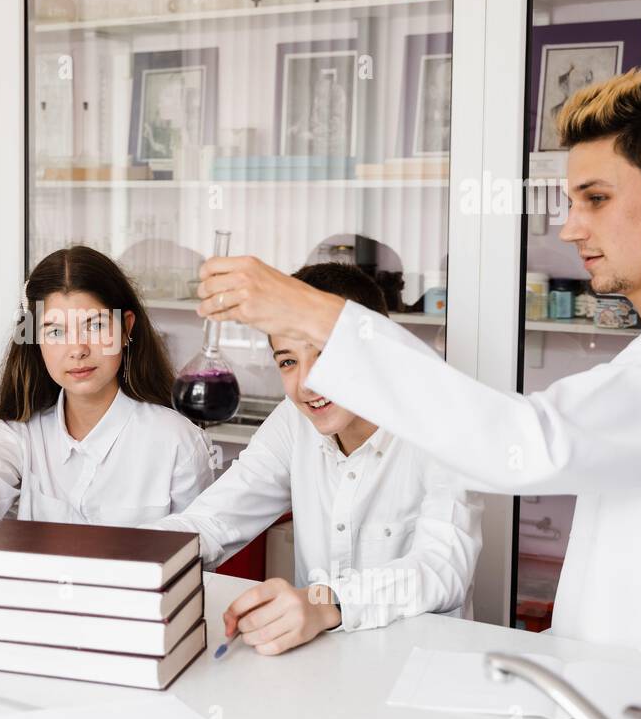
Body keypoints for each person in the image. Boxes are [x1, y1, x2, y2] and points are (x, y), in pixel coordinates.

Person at [195, 70, 641, 664]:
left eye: (596, 198)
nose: (571, 228)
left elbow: (525, 444)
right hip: (618, 695)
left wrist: (314, 313)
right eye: (572, 202)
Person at [148, 263, 481, 655]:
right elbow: (213, 519)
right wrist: (131, 555)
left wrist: (326, 602)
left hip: (420, 671)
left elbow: (442, 569)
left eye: (325, 354)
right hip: (319, 667)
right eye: (288, 361)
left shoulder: (438, 426)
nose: (306, 383)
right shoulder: (294, 421)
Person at [0, 245, 212, 533]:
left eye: (96, 325)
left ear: (126, 327)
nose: (77, 349)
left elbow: (195, 559)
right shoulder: (19, 434)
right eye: (55, 331)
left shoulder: (177, 441)